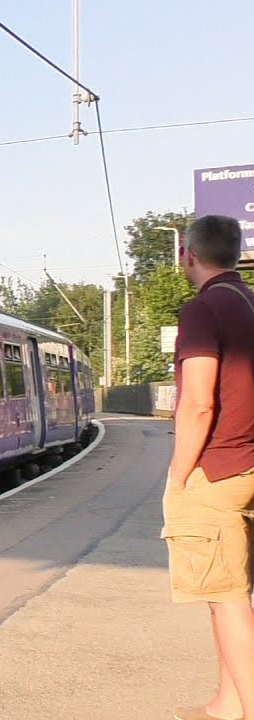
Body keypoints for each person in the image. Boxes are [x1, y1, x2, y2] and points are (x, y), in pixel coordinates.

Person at [164, 214, 254, 720]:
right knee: (230, 593)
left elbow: (198, 403)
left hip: (217, 471)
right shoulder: (249, 303)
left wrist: (178, 479)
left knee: (226, 598)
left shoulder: (201, 311)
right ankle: (228, 702)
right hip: (250, 463)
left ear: (188, 256)